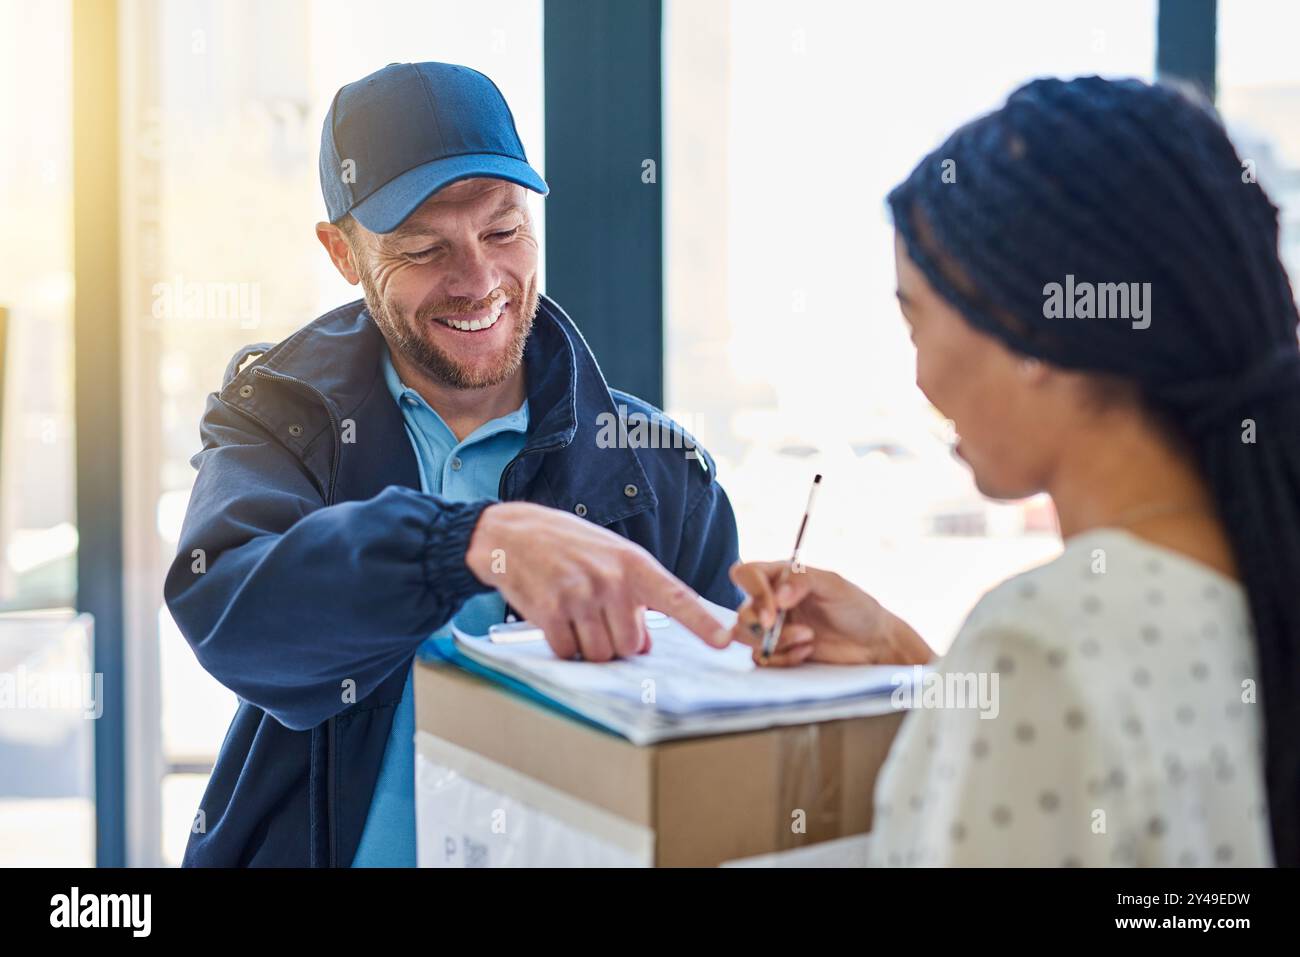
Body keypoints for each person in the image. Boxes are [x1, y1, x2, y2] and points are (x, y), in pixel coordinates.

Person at [165, 62, 740, 867]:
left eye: (503, 232)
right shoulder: (281, 424)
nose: (478, 282)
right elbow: (233, 613)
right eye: (424, 247)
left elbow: (726, 752)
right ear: (342, 252)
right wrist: (460, 542)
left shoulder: (660, 470)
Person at [728, 76, 1299, 867]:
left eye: (914, 315)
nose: (920, 377)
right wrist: (903, 648)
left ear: (1032, 330)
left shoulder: (1042, 644)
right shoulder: (1251, 567)